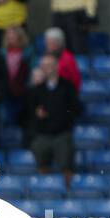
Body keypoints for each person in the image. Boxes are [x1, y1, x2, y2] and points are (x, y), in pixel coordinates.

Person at [27, 53, 80, 187]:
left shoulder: (67, 87)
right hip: (43, 133)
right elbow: (27, 112)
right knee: (40, 155)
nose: (46, 69)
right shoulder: (36, 89)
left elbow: (76, 109)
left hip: (62, 132)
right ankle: (45, 191)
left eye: (49, 65)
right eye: (44, 66)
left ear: (56, 66)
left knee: (66, 163)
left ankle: (69, 193)